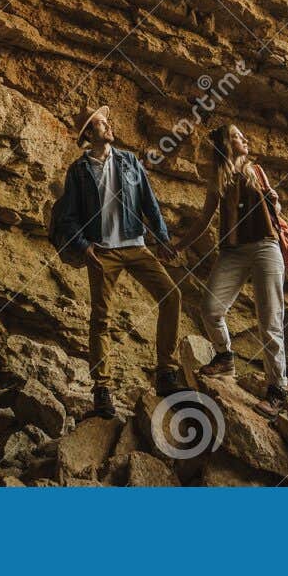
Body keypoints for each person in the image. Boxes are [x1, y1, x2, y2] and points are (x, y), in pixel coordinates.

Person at [50, 104, 182, 417]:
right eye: (101, 124)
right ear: (88, 135)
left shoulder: (129, 162)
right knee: (101, 319)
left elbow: (150, 203)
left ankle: (166, 372)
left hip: (135, 245)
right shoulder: (78, 172)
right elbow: (67, 217)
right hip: (102, 252)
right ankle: (103, 390)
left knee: (171, 295)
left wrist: (162, 239)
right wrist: (84, 248)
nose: (108, 127)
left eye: (107, 122)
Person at [175, 123, 288, 415]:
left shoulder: (257, 172)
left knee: (269, 321)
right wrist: (178, 245)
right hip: (233, 251)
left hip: (265, 246)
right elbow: (203, 221)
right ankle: (225, 356)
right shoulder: (219, 180)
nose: (245, 139)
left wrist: (275, 204)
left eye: (243, 135)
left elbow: (274, 217)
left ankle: (278, 390)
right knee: (211, 308)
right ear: (226, 144)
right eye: (238, 136)